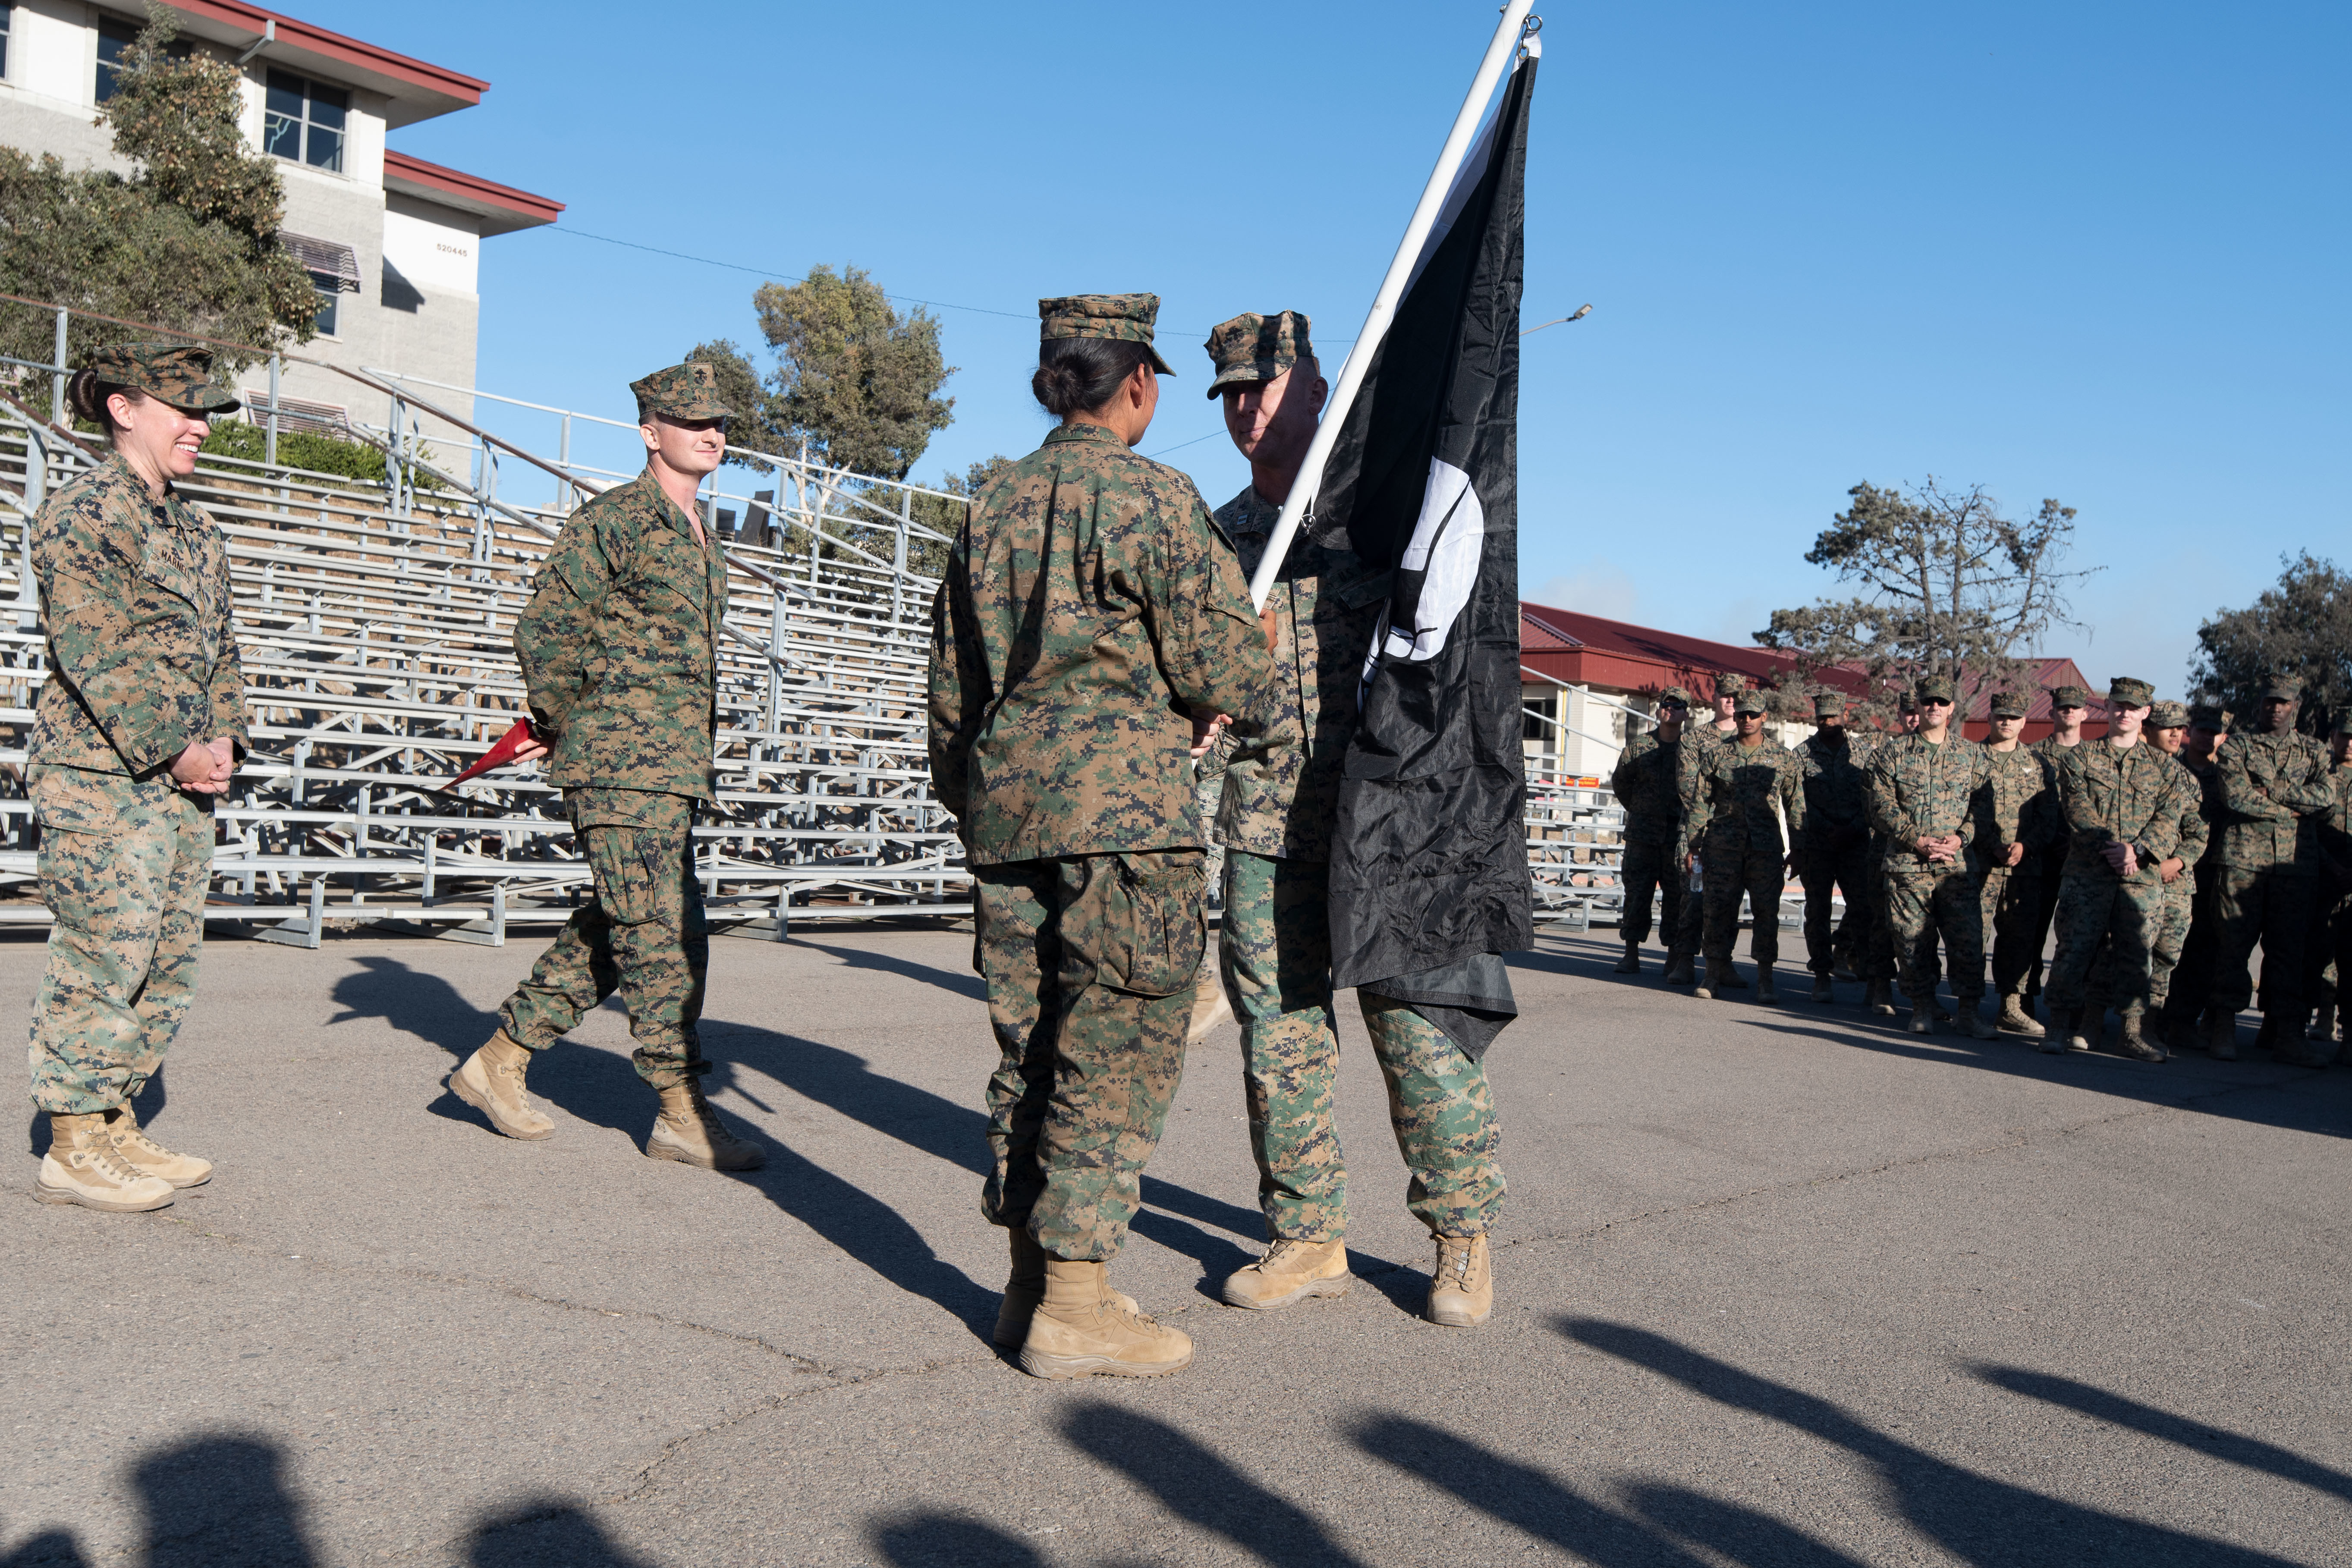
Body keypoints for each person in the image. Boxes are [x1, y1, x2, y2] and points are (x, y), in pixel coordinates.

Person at [931, 293, 1277, 1379]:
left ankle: (1030, 1285)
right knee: (1113, 1048)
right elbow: (1229, 679)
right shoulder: (1157, 499)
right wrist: (1251, 644)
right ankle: (1075, 1305)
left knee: (1027, 1049)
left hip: (1007, 813)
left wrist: (981, 799)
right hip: (1124, 820)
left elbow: (950, 689)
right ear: (1136, 383)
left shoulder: (990, 500)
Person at [1193, 309, 1507, 1329]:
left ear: (1316, 390)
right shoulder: (1220, 538)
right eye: (1230, 394)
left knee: (1415, 1032)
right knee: (1278, 1040)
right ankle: (1307, 1232)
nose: (1244, 409)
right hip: (1262, 823)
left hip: (1385, 823)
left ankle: (1459, 1237)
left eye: (1262, 387)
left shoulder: (1385, 520)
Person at [448, 363, 761, 1172]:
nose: (710, 433)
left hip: (671, 770)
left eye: (717, 421)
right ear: (649, 431)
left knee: (627, 925)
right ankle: (681, 1110)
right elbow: (545, 628)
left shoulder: (702, 540)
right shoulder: (615, 521)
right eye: (689, 421)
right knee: (658, 937)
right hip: (620, 764)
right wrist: (564, 719)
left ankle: (501, 1058)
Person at [26, 345, 245, 1213]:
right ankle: (73, 1140)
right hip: (101, 773)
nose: (199, 427)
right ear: (123, 409)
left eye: (205, 414)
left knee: (164, 958)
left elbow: (222, 644)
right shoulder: (84, 511)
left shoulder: (194, 527)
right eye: (183, 409)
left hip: (181, 781)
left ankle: (114, 1117)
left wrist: (223, 734)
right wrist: (176, 745)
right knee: (102, 951)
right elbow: (94, 649)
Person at [2040, 680, 2203, 1060]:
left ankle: (2131, 1032)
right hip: (2088, 872)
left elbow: (2170, 816)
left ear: (2145, 713)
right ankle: (2059, 1026)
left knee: (2137, 954)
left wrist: (2139, 851)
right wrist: (2114, 847)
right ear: (2108, 709)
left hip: (2140, 876)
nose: (2125, 712)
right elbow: (2078, 809)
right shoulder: (2079, 758)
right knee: (2074, 949)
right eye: (2119, 705)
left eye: (2134, 707)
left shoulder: (2167, 769)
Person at [2203, 673, 2335, 1061]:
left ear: (2296, 706)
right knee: (2232, 946)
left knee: (2289, 952)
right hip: (2242, 861)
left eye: (2283, 702)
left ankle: (2286, 1033)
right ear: (2258, 703)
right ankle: (2223, 1025)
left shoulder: (2314, 751)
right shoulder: (2237, 747)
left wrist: (2272, 791)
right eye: (2268, 701)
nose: (2275, 708)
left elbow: (2325, 797)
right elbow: (2236, 797)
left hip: (2295, 868)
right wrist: (2295, 808)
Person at [1865, 676, 1998, 1038]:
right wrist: (1916, 839)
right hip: (1908, 866)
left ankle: (1969, 1014)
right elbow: (1880, 806)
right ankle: (1921, 1007)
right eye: (1928, 702)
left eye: (1941, 702)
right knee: (1912, 942)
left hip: (1955, 866)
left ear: (1952, 708)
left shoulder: (1972, 755)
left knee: (1968, 940)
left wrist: (1960, 839)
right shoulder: (1891, 754)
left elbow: (1983, 807)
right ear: (1918, 706)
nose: (1934, 707)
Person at [1686, 690, 1806, 1001]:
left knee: (1767, 913)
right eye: (1742, 714)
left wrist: (1799, 847)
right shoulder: (1717, 755)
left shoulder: (1782, 757)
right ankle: (1712, 973)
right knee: (1717, 910)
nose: (1747, 719)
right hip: (1724, 847)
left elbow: (1796, 805)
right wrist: (1694, 844)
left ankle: (1765, 980)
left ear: (1765, 716)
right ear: (1735, 716)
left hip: (1765, 850)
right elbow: (1700, 801)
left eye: (1754, 714)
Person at [1975, 691, 2058, 1037]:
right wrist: (1992, 845)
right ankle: (1968, 1007)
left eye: (2013, 717)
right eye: (2000, 716)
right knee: (1972, 938)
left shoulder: (2039, 764)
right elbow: (1959, 811)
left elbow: (2049, 818)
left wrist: (2026, 845)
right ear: (1990, 718)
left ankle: (2010, 1008)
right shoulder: (1970, 758)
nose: (2006, 721)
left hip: (2025, 868)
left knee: (2019, 939)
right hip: (1978, 865)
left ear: (2025, 722)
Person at [2158, 704, 2232, 1052]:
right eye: (2201, 730)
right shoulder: (2171, 770)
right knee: (2164, 951)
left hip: (2210, 877)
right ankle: (2153, 1019)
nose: (2207, 736)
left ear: (2223, 736)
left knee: (2202, 952)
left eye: (2213, 731)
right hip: (2169, 873)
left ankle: (2184, 1021)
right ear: (2192, 732)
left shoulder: (2228, 778)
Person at [1665, 672, 1745, 986]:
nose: (1730, 701)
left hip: (1734, 837)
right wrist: (1715, 816)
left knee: (1730, 901)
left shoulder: (1750, 740)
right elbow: (1688, 786)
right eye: (1725, 694)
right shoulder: (1694, 739)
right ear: (1714, 698)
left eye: (1736, 696)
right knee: (1693, 898)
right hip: (1698, 833)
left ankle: (1723, 962)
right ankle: (1685, 960)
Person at [1795, 691, 1873, 1002]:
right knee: (1817, 912)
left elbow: (1874, 798)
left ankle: (1872, 978)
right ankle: (1821, 976)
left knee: (1865, 910)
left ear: (1844, 716)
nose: (1827, 722)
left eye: (1833, 716)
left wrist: (1853, 828)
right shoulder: (1802, 754)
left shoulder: (1864, 753)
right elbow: (1796, 800)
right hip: (1819, 844)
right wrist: (1828, 828)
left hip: (1856, 845)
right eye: (1822, 717)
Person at [2022, 685, 2093, 1019]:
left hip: (2081, 861)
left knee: (2078, 936)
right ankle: (2024, 997)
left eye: (2074, 707)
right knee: (2032, 932)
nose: (2068, 712)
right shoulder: (2032, 756)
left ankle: (2074, 1003)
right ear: (2051, 713)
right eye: (2062, 707)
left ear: (2085, 713)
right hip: (2040, 859)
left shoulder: (2096, 759)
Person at [1610, 687, 1690, 976]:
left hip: (1674, 836)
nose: (1670, 709)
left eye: (1677, 705)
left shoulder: (1690, 749)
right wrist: (1640, 809)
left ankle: (1672, 956)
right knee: (1637, 894)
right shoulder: (1639, 746)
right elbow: (1621, 782)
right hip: (1642, 835)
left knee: (1676, 896)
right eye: (1665, 704)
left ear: (1686, 713)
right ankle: (1631, 953)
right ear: (1658, 711)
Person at [2307, 711, 2352, 1059]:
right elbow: (2308, 828)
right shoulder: (2321, 776)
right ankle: (2321, 1016)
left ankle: (2348, 1030)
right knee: (2319, 949)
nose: (2350, 743)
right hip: (2324, 875)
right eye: (2344, 735)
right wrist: (2331, 865)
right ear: (2333, 735)